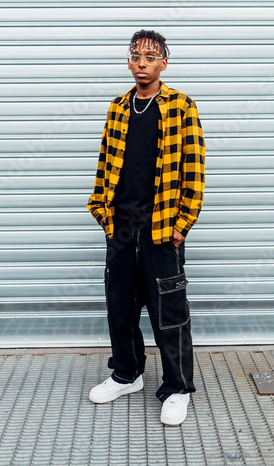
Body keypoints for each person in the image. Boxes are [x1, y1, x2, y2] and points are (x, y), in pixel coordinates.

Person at [86, 29, 206, 426]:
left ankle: (177, 389)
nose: (142, 63)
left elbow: (195, 169)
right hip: (121, 227)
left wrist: (182, 225)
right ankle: (127, 374)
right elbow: (105, 163)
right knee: (119, 308)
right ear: (129, 61)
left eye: (151, 57)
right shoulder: (119, 107)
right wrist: (102, 212)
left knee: (168, 313)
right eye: (136, 56)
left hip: (161, 230)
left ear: (163, 63)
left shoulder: (180, 106)